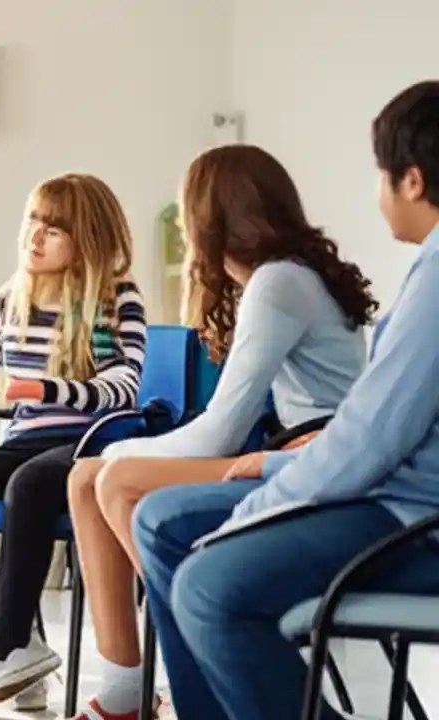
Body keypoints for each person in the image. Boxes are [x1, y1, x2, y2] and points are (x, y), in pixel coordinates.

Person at [132, 80, 439, 720]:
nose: (377, 193)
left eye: (380, 175)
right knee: (160, 521)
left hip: (411, 518)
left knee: (211, 585)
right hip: (389, 494)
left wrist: (262, 501)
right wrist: (274, 473)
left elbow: (376, 437)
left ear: (411, 180)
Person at [62, 144, 375, 720]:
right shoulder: (290, 275)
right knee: (87, 480)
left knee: (114, 479)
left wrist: (114, 448)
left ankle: (206, 656)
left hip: (311, 459)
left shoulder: (279, 282)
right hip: (300, 448)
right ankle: (126, 690)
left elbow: (220, 434)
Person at [0, 173, 147, 718]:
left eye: (54, 229)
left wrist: (43, 389)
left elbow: (124, 387)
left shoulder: (114, 300)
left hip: (88, 443)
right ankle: (25, 648)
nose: (35, 237)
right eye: (32, 221)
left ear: (86, 239)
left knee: (32, 482)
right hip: (24, 443)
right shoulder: (11, 297)